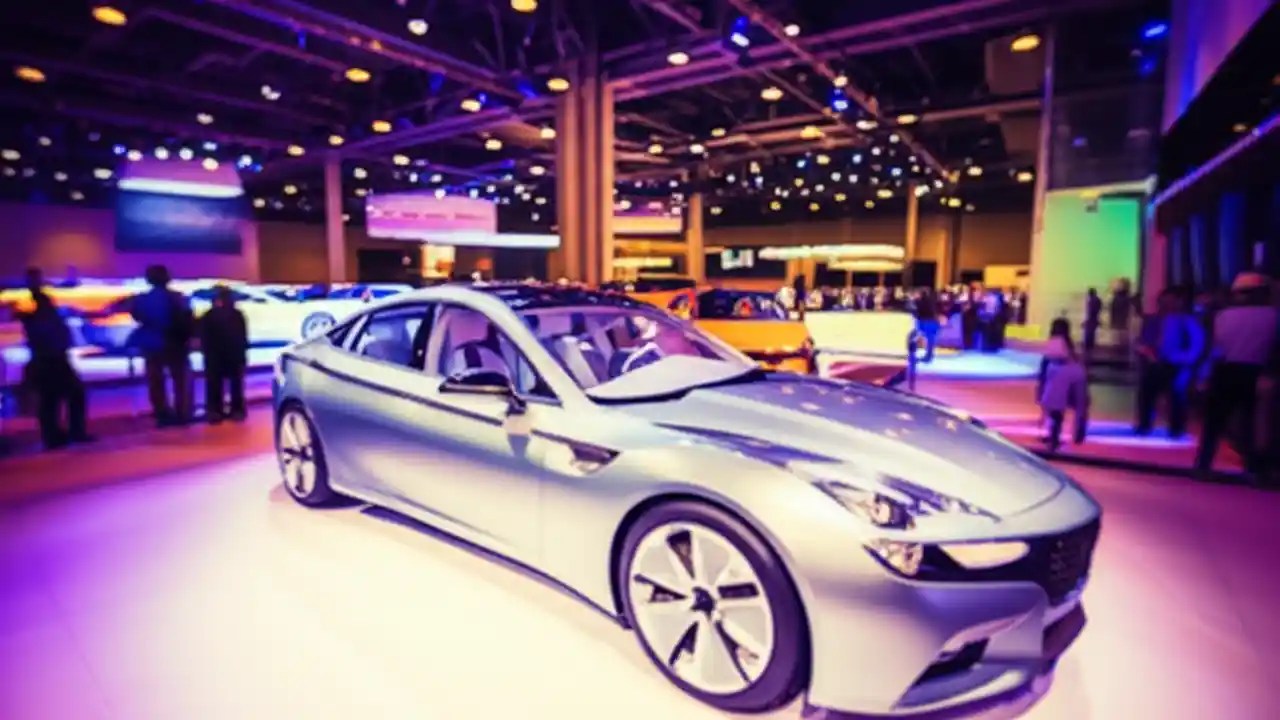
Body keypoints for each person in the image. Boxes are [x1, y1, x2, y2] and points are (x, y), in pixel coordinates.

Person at [1194, 272, 1277, 476]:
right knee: (1250, 421)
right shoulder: (1273, 316)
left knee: (1214, 421)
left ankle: (1203, 463)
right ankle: (1253, 468)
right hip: (1255, 372)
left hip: (1224, 371)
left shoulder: (1223, 316)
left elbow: (1214, 349)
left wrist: (1204, 377)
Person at [16, 268, 91, 450]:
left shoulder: (35, 316)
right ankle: (68, 433)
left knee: (52, 399)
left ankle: (56, 435)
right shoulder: (40, 315)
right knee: (64, 396)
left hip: (47, 359)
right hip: (52, 359)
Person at [1135, 287, 1205, 438]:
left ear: (1178, 302)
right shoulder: (1153, 320)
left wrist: (1182, 359)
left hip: (1178, 365)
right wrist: (1144, 350)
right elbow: (1143, 340)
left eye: (1170, 301)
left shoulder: (1187, 321)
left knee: (1176, 396)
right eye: (1163, 301)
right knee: (1147, 394)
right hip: (1155, 363)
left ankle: (1176, 428)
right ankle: (1144, 425)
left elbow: (1196, 345)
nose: (1166, 305)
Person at [130, 265, 194, 427]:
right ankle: (183, 413)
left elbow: (137, 316)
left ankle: (162, 413)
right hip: (175, 344)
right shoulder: (179, 298)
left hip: (151, 344)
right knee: (181, 380)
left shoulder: (142, 299)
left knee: (155, 381)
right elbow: (188, 320)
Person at [1037, 318, 1089, 452]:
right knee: (1080, 404)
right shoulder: (1069, 344)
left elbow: (1047, 364)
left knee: (1056, 410)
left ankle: (1054, 439)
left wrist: (1041, 390)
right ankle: (1079, 433)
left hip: (1060, 376)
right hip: (1077, 373)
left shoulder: (1054, 343)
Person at [199, 285, 249, 423]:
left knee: (214, 384)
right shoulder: (237, 315)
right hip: (234, 355)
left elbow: (204, 337)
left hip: (214, 356)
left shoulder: (208, 315)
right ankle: (237, 410)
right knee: (236, 385)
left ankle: (215, 411)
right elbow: (242, 337)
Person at [914, 289, 941, 363]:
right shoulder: (930, 300)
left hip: (927, 321)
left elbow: (918, 310)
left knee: (927, 338)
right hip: (931, 321)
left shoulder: (921, 301)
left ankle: (928, 356)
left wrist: (915, 301)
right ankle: (929, 355)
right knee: (930, 339)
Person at [1083, 288, 1102, 357]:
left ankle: (1088, 351)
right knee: (1092, 334)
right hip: (1095, 319)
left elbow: (1090, 311)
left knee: (1088, 334)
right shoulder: (1098, 300)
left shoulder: (1092, 300)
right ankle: (1090, 350)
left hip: (1091, 319)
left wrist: (1087, 320)